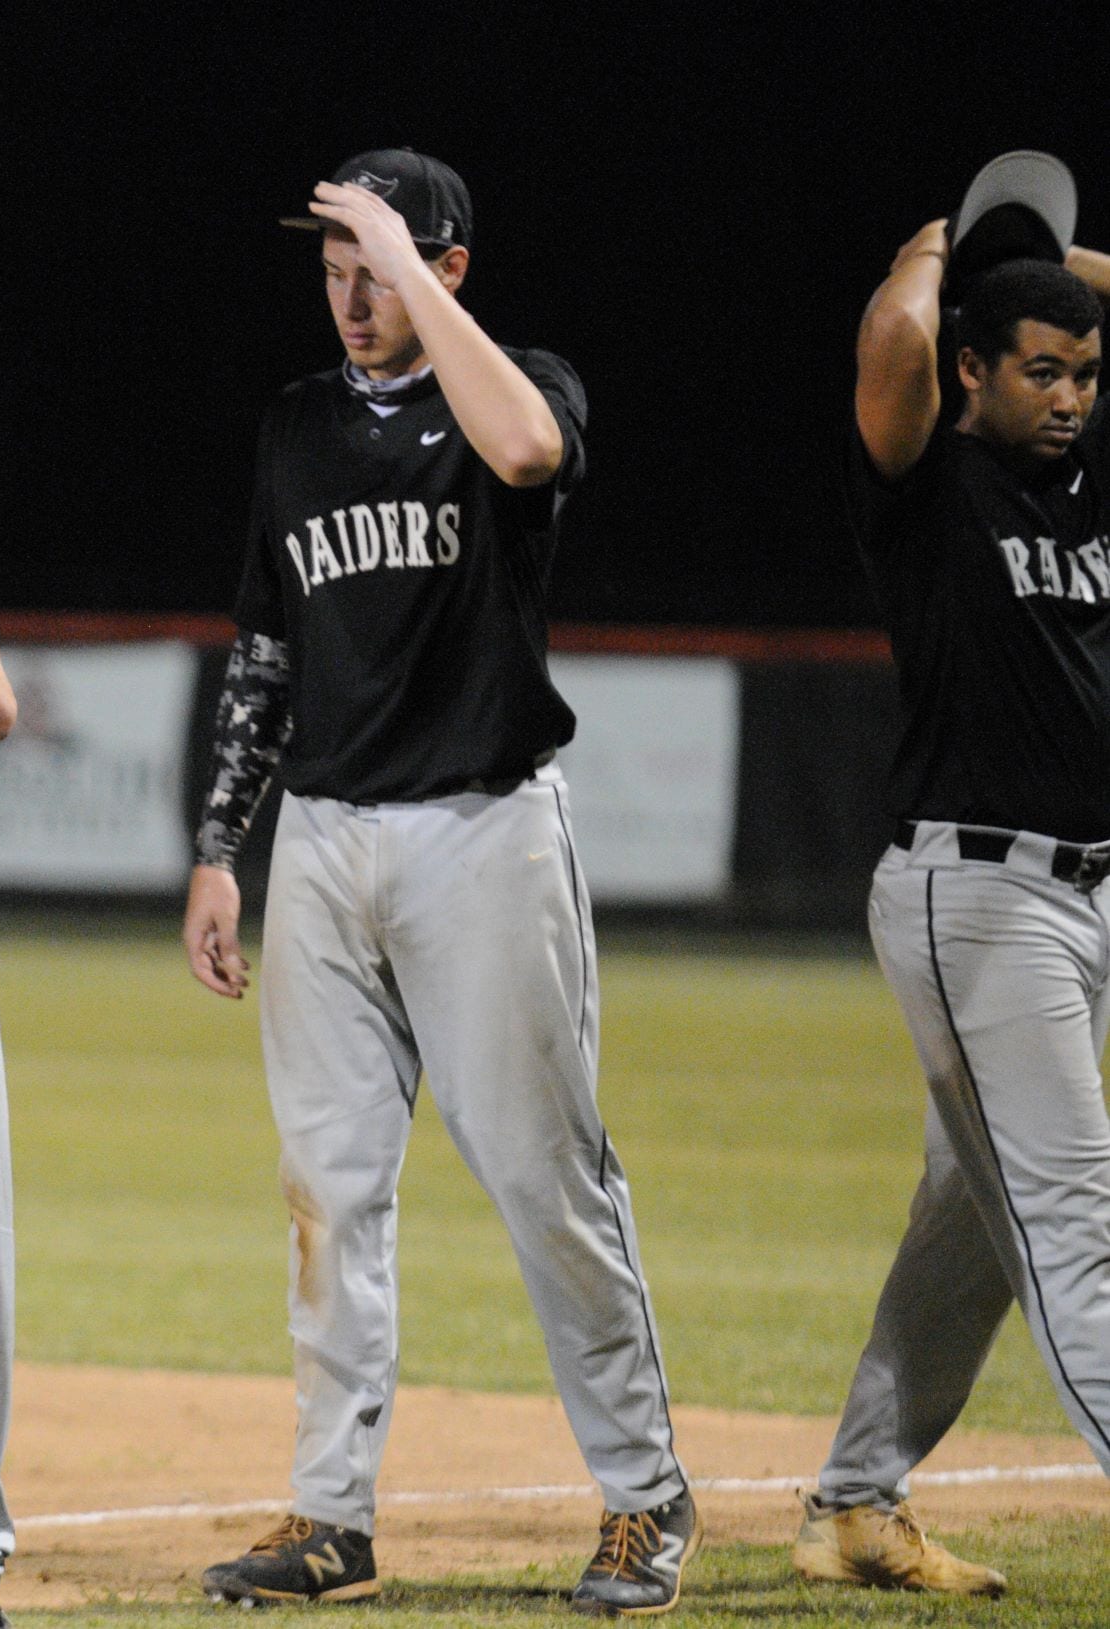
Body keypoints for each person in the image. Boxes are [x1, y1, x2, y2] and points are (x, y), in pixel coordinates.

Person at [179, 150, 694, 1616]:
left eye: (377, 267)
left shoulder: (512, 383)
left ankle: (644, 1496)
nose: (348, 295)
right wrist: (221, 848)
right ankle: (330, 1516)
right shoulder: (292, 427)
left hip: (483, 832)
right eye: (331, 267)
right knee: (328, 1194)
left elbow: (528, 453)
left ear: (442, 269)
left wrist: (408, 263)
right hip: (328, 847)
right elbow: (264, 648)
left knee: (545, 1176)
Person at [796, 155, 1110, 1597]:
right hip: (971, 893)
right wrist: (936, 252)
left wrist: (1051, 264)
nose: (1067, 397)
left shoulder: (1086, 477)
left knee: (969, 1221)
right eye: (1037, 370)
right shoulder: (928, 481)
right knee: (1073, 1218)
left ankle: (857, 1498)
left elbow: (1061, 335)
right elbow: (890, 348)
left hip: (1084, 893)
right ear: (973, 367)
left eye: (1086, 374)